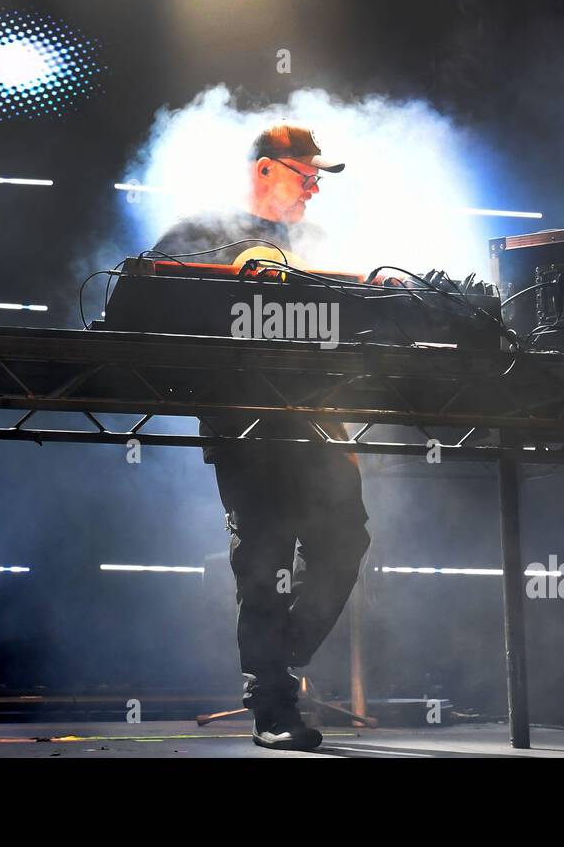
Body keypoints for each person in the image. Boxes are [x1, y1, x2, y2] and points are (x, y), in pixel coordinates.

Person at [151, 124, 371, 750]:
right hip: (244, 423)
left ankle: (281, 653)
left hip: (317, 423)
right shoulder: (201, 232)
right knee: (265, 561)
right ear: (267, 170)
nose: (313, 192)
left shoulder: (312, 245)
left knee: (346, 542)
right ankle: (272, 706)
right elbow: (154, 297)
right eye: (307, 177)